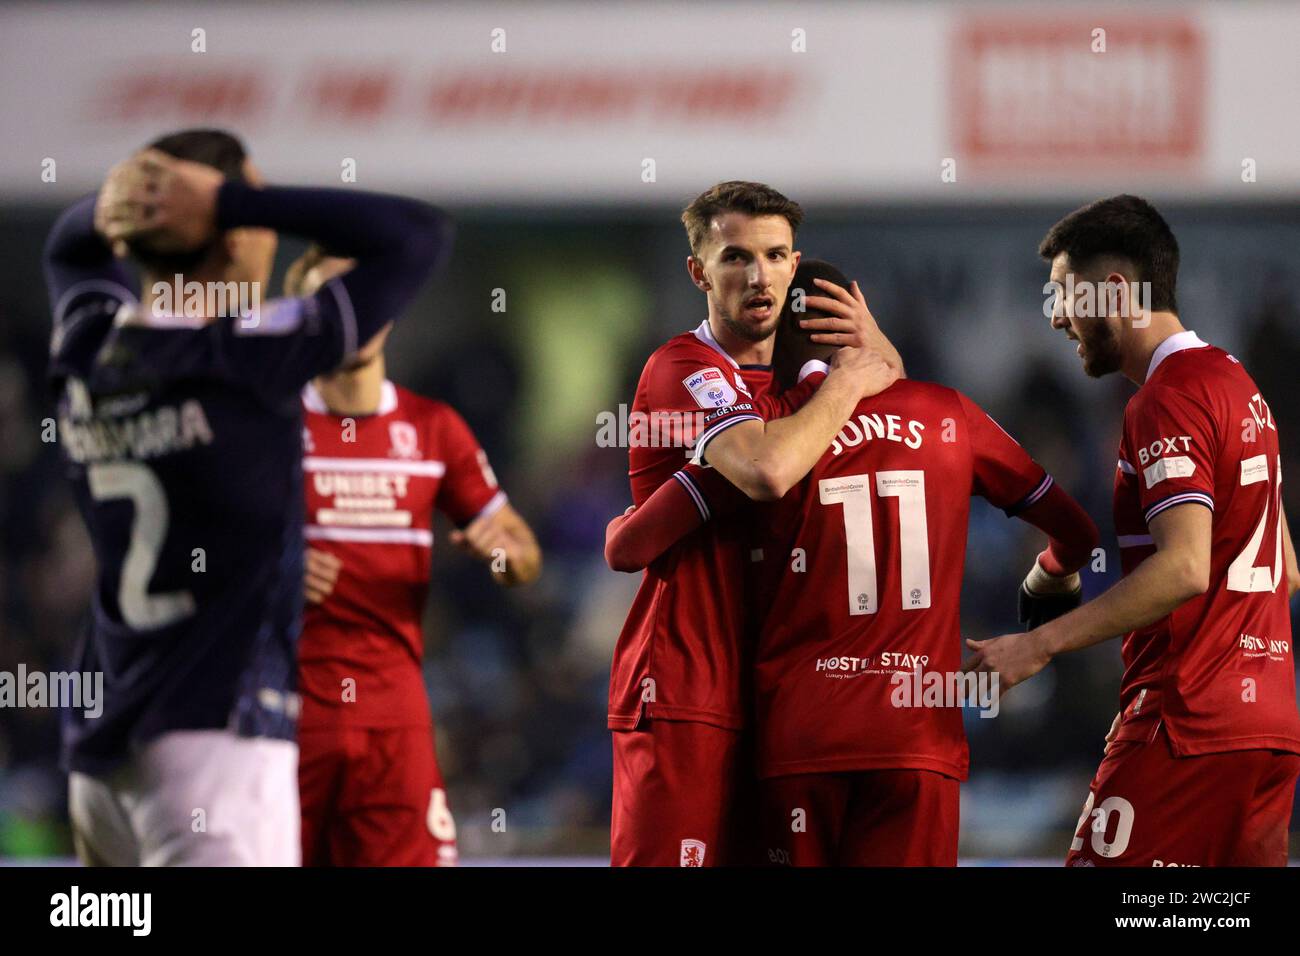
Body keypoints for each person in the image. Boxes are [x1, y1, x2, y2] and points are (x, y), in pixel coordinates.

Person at [45, 129, 452, 865]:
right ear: (230, 238)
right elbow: (416, 234)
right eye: (252, 207)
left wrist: (115, 202)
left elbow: (68, 249)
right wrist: (228, 200)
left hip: (101, 739)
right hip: (214, 742)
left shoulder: (88, 346)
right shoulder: (248, 357)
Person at [607, 259, 1098, 865]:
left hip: (801, 737)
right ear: (860, 317)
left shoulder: (772, 436)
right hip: (918, 735)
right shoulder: (949, 413)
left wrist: (625, 526)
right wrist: (1053, 569)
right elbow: (1074, 527)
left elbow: (629, 548)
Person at [966, 194, 1300, 866]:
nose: (1057, 317)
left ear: (1116, 290)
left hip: (1187, 721)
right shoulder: (1239, 386)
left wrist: (1043, 645)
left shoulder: (1166, 398)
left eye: (1063, 295)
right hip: (1270, 722)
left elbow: (1184, 567)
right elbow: (1286, 570)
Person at [609, 181, 902, 866]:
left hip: (787, 697)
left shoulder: (806, 391)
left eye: (774, 256)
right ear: (699, 272)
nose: (758, 275)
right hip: (686, 688)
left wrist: (870, 353)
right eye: (736, 257)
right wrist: (853, 379)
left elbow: (892, 400)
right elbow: (768, 471)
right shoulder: (683, 367)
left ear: (794, 266)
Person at [285, 247, 541, 866]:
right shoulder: (268, 428)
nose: (352, 312)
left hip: (394, 720)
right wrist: (271, 567)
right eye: (331, 300)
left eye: (364, 294)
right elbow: (194, 553)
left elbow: (522, 560)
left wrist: (497, 558)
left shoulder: (433, 428)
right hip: (282, 720)